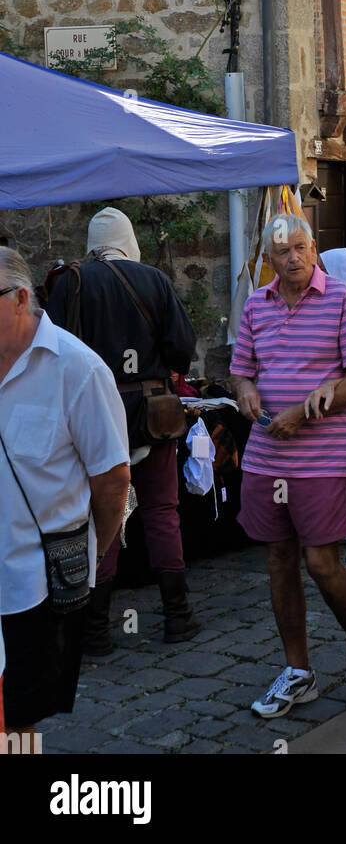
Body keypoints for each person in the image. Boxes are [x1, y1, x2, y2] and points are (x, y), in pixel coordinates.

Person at [228, 214, 346, 718]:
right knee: (278, 559)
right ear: (268, 258)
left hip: (321, 454)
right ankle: (298, 670)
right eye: (282, 252)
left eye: (299, 247)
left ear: (313, 248)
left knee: (322, 563)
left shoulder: (341, 299)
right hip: (266, 452)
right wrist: (247, 390)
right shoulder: (256, 304)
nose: (292, 258)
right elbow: (241, 373)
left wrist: (305, 412)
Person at [45, 207, 199, 653]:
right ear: (129, 239)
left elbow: (55, 350)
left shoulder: (72, 281)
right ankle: (177, 617)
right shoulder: (153, 280)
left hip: (94, 409)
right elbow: (182, 351)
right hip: (153, 411)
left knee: (103, 513)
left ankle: (95, 631)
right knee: (161, 511)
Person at [0, 248, 129, 744]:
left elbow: (113, 479)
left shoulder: (78, 369)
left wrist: (93, 551)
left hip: (31, 583)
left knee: (15, 719)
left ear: (21, 299)